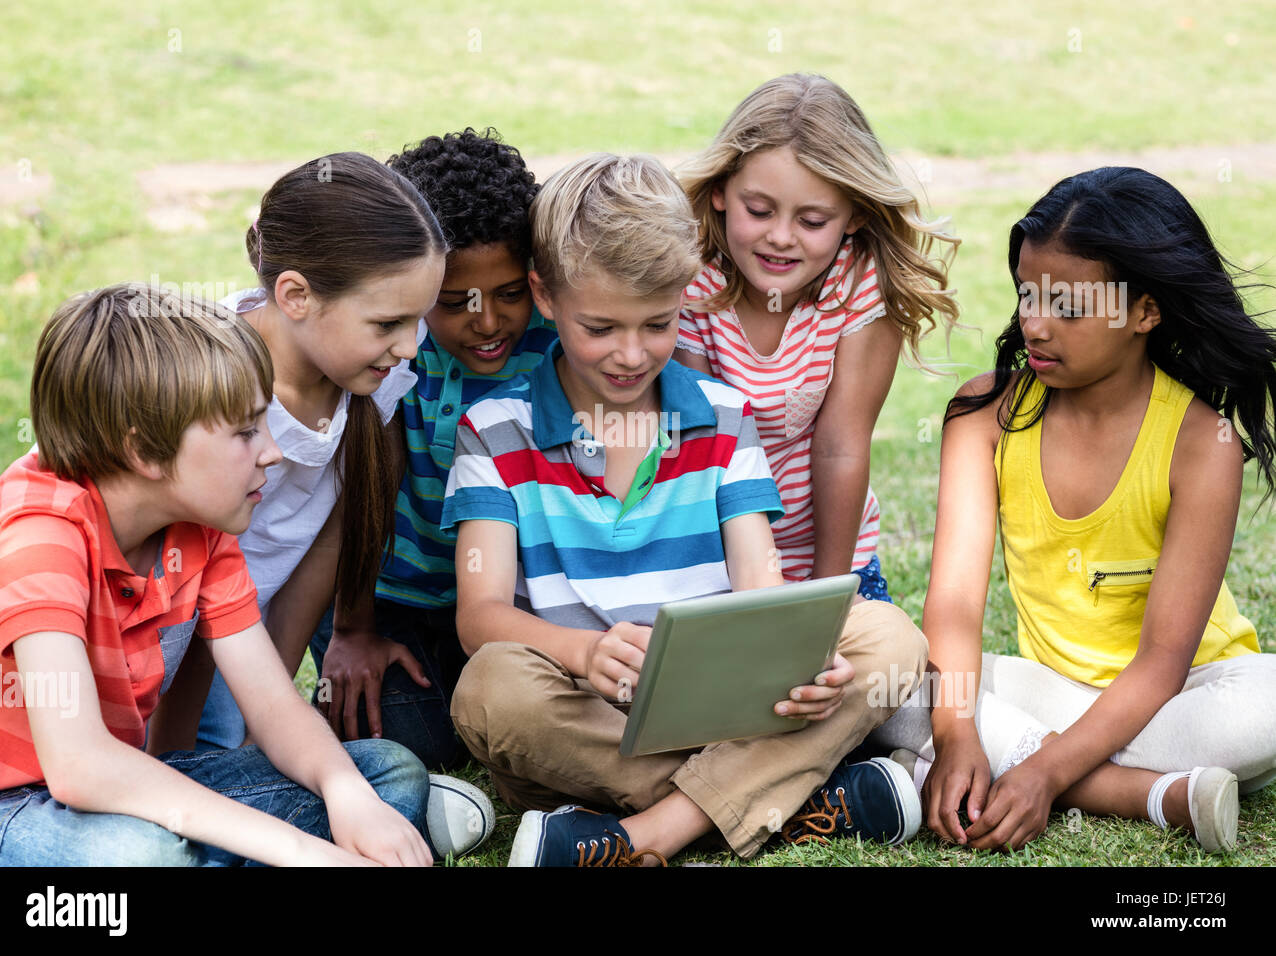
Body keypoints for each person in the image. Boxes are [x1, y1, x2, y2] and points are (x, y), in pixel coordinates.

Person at [443, 154, 930, 867]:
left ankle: (653, 831)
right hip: (586, 711)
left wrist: (800, 660)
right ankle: (789, 799)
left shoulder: (724, 416)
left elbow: (761, 588)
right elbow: (479, 616)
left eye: (658, 324)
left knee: (888, 636)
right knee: (489, 689)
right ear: (545, 296)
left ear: (684, 299)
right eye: (601, 327)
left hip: (722, 711)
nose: (631, 355)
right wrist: (583, 651)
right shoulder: (495, 429)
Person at [874, 167, 1276, 854]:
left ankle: (1016, 766)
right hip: (1049, 691)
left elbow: (1161, 664)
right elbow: (955, 606)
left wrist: (1041, 772)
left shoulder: (1200, 442)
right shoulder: (985, 417)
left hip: (1183, 697)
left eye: (1067, 306)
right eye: (1028, 295)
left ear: (1145, 312)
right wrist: (957, 733)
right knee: (887, 685)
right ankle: (1155, 794)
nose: (1033, 322)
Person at [0, 284, 434, 866]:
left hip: (126, 787)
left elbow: (274, 707)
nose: (271, 451)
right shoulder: (38, 533)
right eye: (245, 433)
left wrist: (347, 795)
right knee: (141, 856)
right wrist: (300, 850)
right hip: (4, 808)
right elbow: (79, 766)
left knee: (383, 775)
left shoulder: (201, 523)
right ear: (146, 453)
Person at [156, 152, 494, 854]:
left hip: (237, 643)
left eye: (418, 321)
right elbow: (185, 597)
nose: (410, 347)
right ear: (296, 295)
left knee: (297, 762)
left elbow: (329, 540)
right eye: (388, 323)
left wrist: (261, 730)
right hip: (153, 648)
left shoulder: (371, 378)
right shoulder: (214, 389)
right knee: (176, 779)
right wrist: (185, 757)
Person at [310, 129, 556, 766]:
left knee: (501, 728)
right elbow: (362, 493)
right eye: (455, 303)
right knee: (418, 745)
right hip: (388, 598)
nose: (488, 321)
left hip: (514, 605)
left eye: (511, 293)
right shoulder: (394, 353)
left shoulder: (553, 351)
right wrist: (353, 629)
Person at [673, 73, 959, 599]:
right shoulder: (691, 278)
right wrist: (744, 592)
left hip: (829, 560)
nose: (780, 237)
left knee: (869, 673)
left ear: (853, 216)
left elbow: (840, 447)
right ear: (719, 192)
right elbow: (704, 446)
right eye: (758, 210)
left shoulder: (861, 282)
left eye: (812, 220)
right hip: (708, 563)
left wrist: (822, 600)